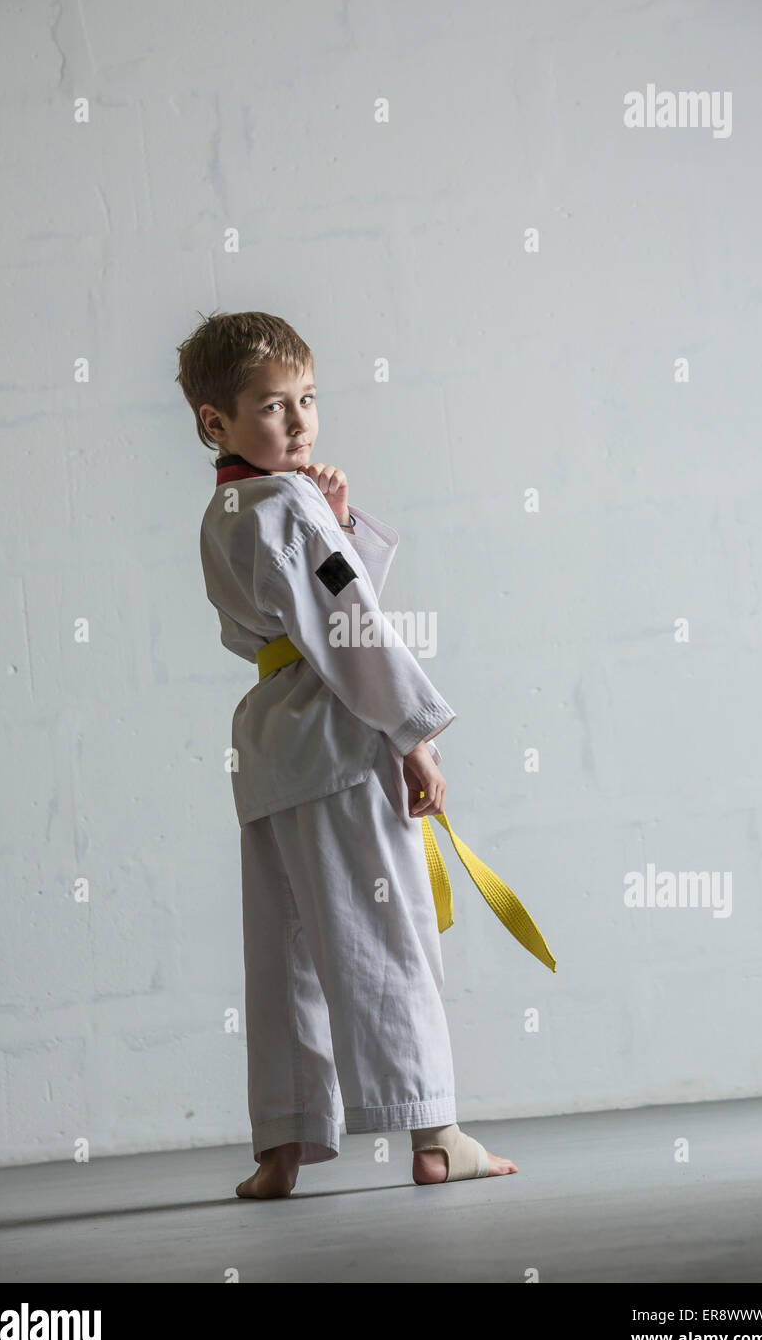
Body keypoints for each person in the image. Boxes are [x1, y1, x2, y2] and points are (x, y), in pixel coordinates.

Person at [176, 311, 517, 1197]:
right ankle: (435, 1134)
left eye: (308, 400)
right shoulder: (288, 503)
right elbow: (348, 625)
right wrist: (413, 736)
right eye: (270, 408)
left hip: (269, 746)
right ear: (215, 422)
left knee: (284, 947)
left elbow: (281, 619)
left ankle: (281, 1148)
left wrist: (335, 525)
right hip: (336, 733)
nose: (297, 423)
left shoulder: (223, 511)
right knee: (382, 932)